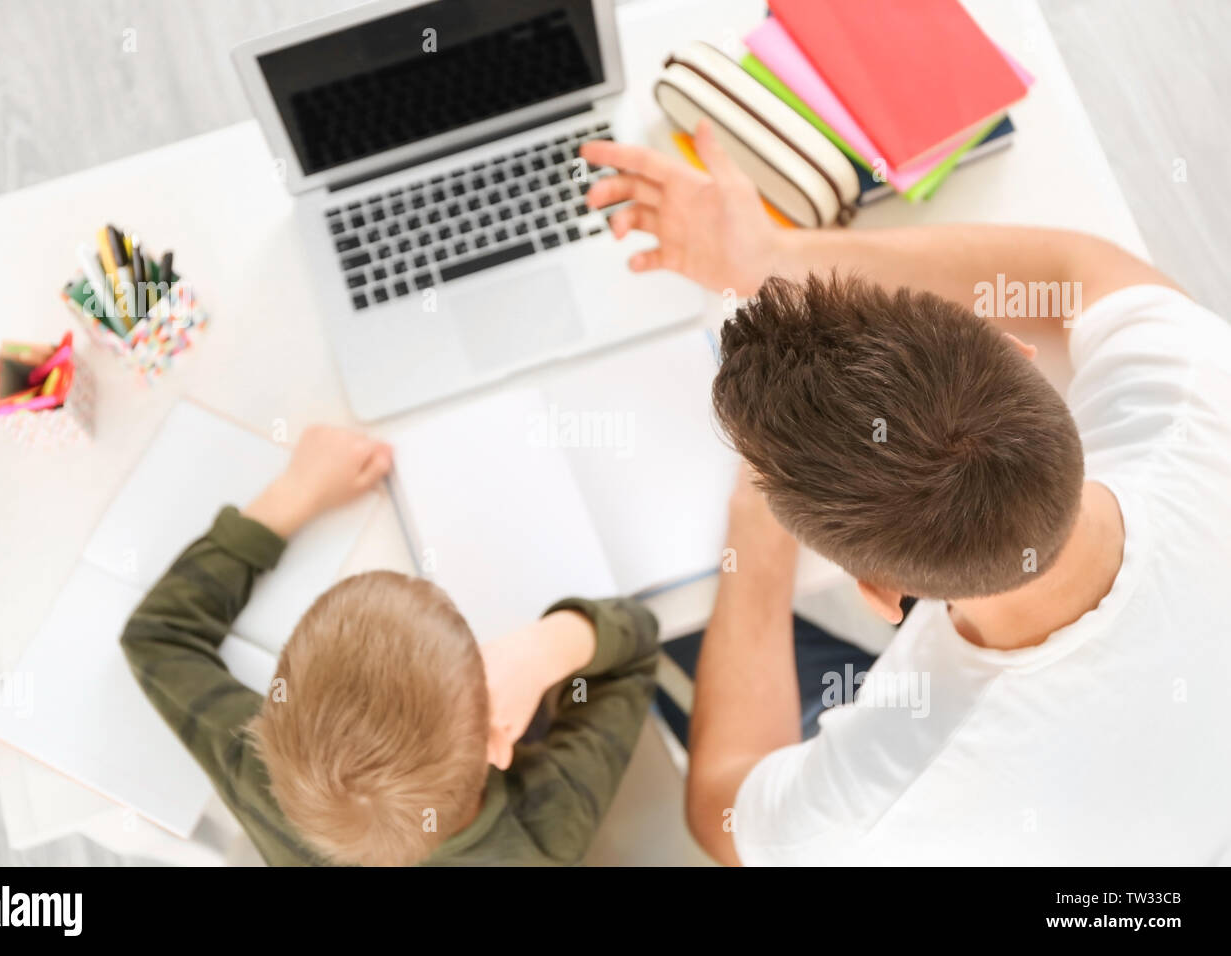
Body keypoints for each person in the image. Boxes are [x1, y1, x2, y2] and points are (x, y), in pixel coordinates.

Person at [580, 121, 1231, 865]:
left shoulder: (880, 812)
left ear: (883, 592)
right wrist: (774, 257)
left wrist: (753, 526)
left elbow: (722, 811)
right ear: (1012, 349)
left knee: (679, 623)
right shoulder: (1198, 401)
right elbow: (1085, 268)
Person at [121, 427, 658, 866]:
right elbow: (637, 648)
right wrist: (542, 650)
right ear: (497, 743)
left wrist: (294, 494)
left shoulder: (258, 778)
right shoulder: (545, 830)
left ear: (269, 727)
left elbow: (158, 636)